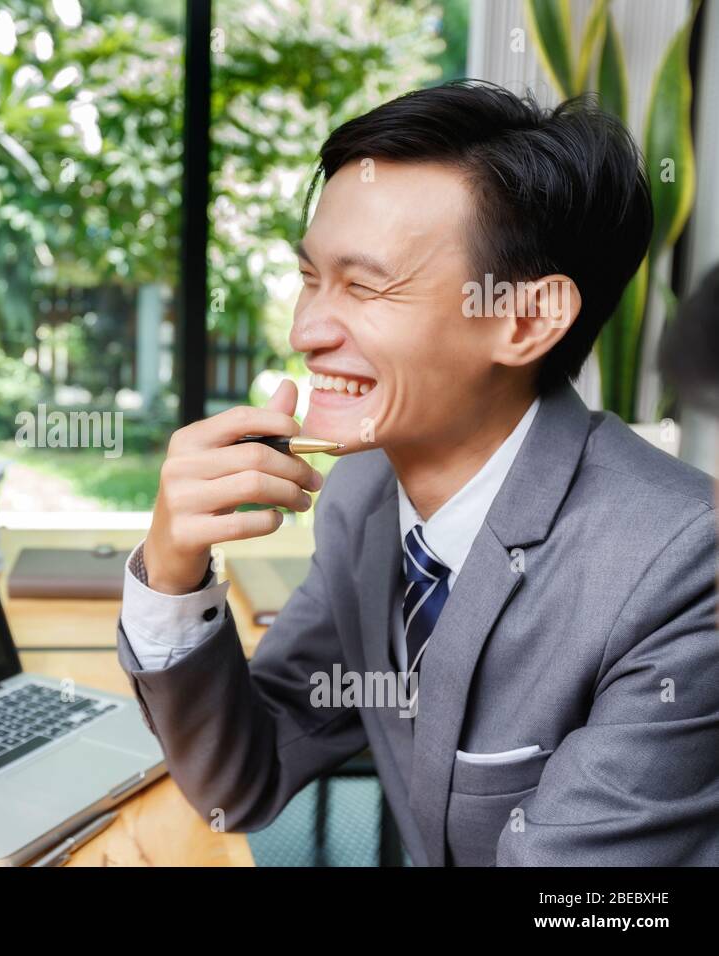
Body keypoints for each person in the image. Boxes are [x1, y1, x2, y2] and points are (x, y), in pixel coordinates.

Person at [119, 81, 719, 865]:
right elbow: (244, 777)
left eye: (364, 286)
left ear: (525, 319)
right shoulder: (366, 498)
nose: (306, 329)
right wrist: (172, 571)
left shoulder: (683, 564)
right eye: (310, 278)